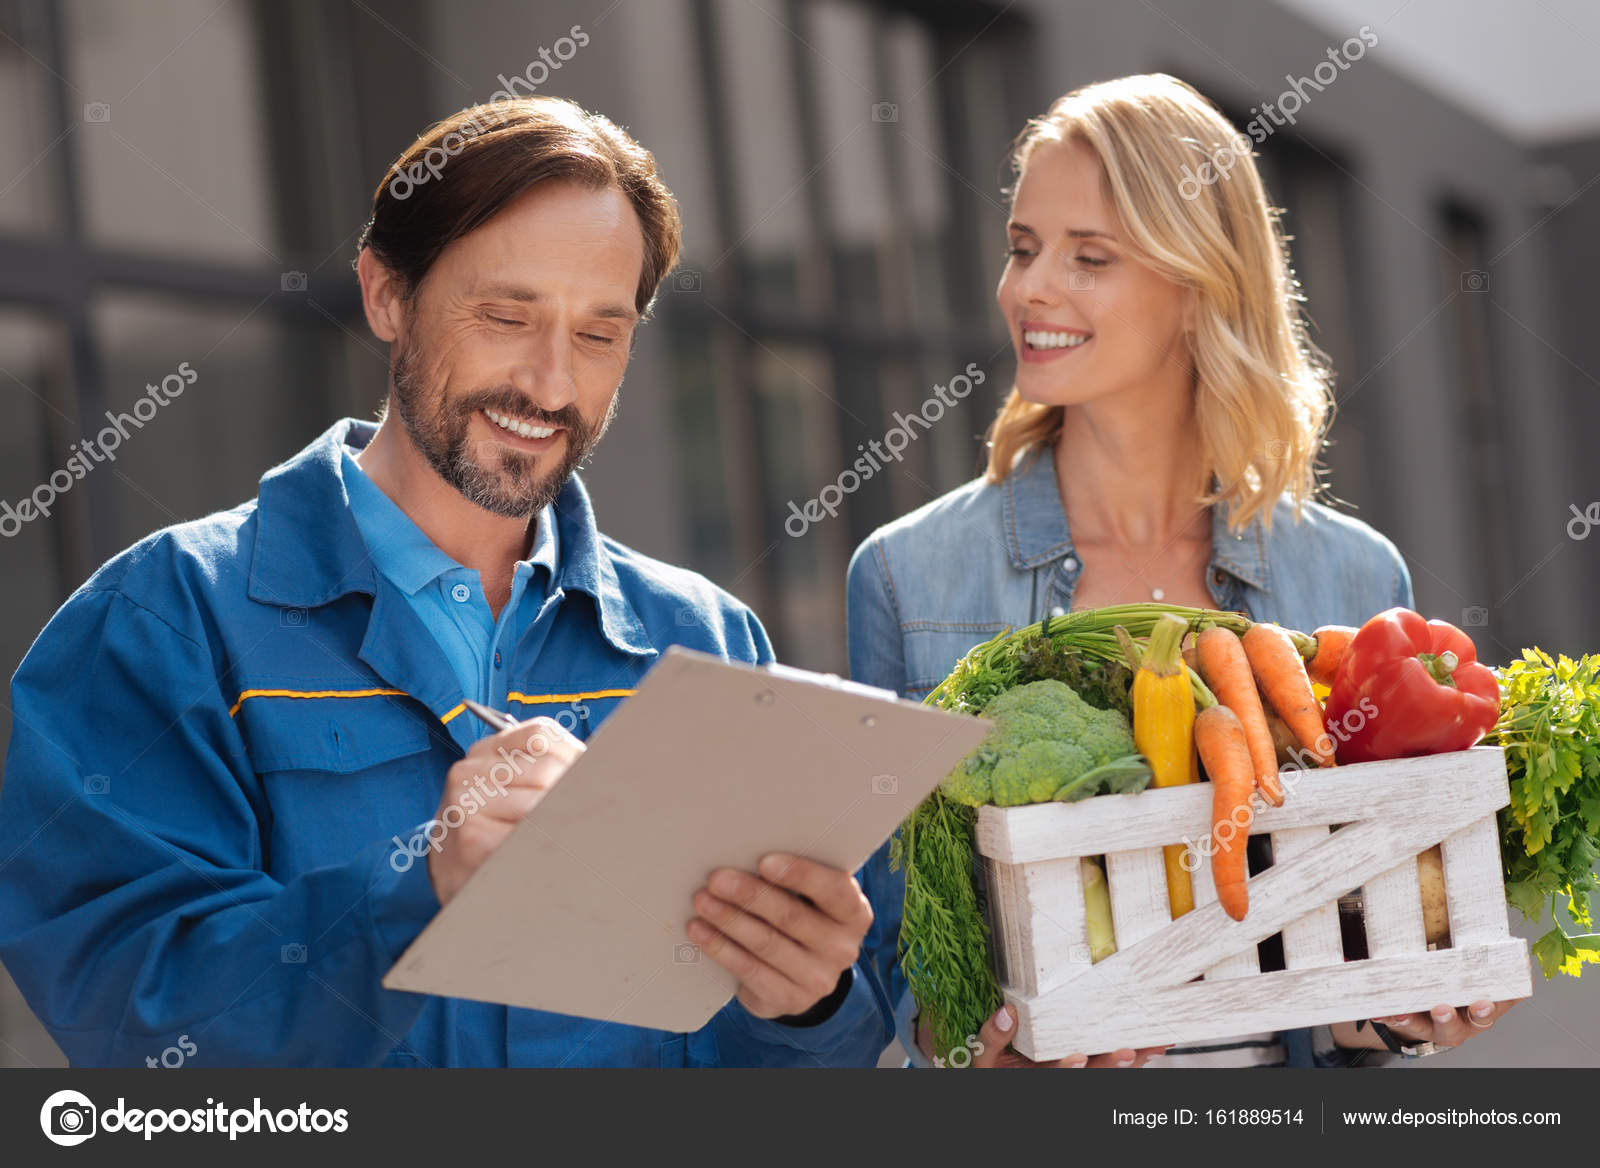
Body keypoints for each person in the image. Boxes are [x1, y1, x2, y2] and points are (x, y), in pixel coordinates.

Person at [0, 97, 891, 1068]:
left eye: (600, 335)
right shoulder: (164, 624)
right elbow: (134, 1027)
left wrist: (809, 1006)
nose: (552, 386)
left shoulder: (706, 639)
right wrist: (419, 890)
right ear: (386, 294)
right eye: (507, 316)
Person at [847, 74, 1513, 1069]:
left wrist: (1390, 1016)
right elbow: (894, 956)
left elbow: (1362, 934)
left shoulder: (1350, 574)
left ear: (1197, 286)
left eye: (1090, 257)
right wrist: (976, 1055)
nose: (1030, 288)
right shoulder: (909, 577)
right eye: (1023, 248)